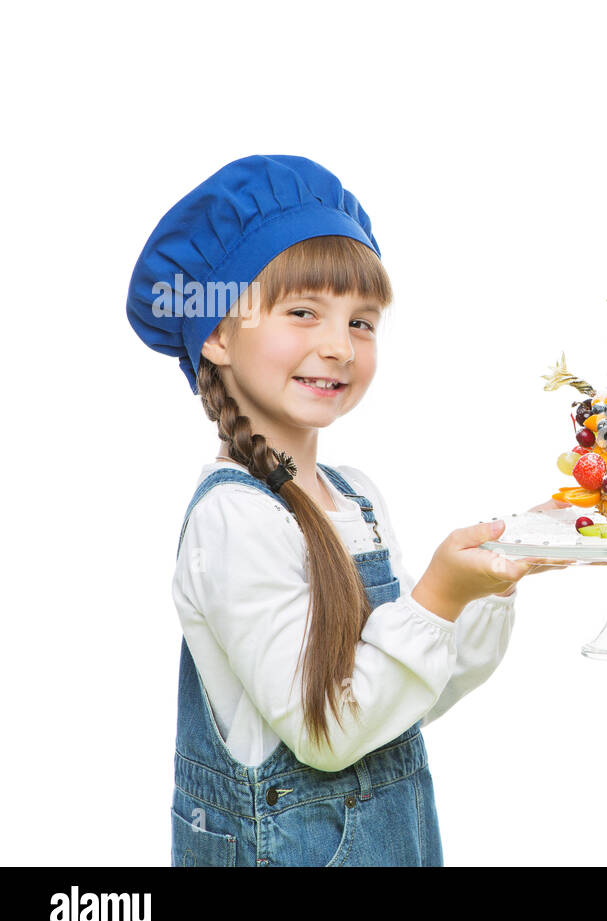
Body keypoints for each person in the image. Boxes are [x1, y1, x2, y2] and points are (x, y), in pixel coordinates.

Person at [127, 154, 553, 866]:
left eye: (362, 322)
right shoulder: (235, 520)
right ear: (217, 334)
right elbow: (327, 735)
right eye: (303, 312)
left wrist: (491, 581)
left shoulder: (353, 497)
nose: (338, 346)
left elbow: (401, 704)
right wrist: (439, 596)